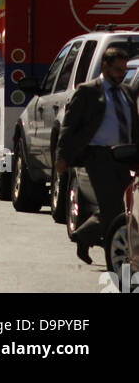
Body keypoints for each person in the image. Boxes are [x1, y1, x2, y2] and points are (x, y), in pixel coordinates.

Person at [55, 45, 139, 263]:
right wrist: (62, 157)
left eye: (123, 70)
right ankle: (117, 258)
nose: (121, 74)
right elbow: (69, 126)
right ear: (105, 66)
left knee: (126, 206)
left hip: (125, 156)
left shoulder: (127, 92)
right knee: (113, 207)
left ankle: (84, 234)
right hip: (98, 156)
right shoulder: (88, 91)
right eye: (117, 70)